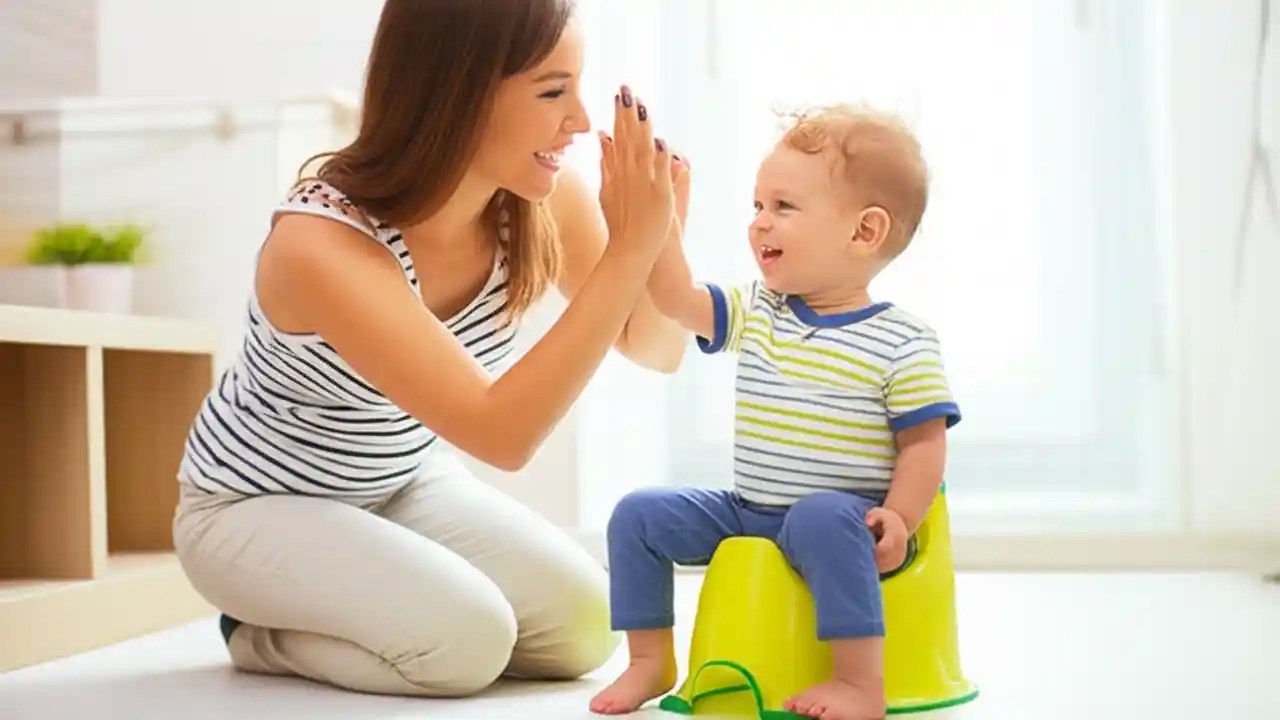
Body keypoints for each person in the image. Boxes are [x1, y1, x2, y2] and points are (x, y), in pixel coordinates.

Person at [171, 0, 689, 698]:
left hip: (400, 482)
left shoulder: (536, 200)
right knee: (465, 646)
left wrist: (660, 241)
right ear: (458, 90)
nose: (580, 119)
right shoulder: (320, 242)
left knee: (589, 625)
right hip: (251, 506)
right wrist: (627, 251)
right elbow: (501, 434)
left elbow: (656, 349)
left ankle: (383, 601)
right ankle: (257, 633)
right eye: (552, 92)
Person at [589, 105, 961, 720]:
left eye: (784, 206)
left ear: (864, 232)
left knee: (818, 517)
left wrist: (899, 517)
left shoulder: (903, 342)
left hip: (841, 521)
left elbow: (924, 445)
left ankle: (859, 682)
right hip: (749, 511)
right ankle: (650, 659)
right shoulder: (760, 309)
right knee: (639, 515)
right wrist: (663, 225)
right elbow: (676, 300)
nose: (760, 221)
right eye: (758, 205)